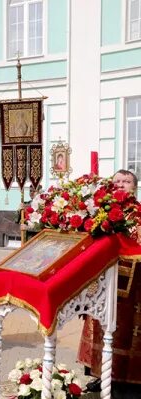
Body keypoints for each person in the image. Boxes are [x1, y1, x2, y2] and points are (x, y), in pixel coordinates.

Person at [79, 169, 141, 397]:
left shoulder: (138, 214)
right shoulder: (100, 212)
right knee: (99, 328)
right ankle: (100, 374)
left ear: (134, 187)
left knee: (125, 333)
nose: (121, 184)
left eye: (127, 181)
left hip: (133, 289)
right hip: (102, 283)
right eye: (117, 181)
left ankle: (127, 381)